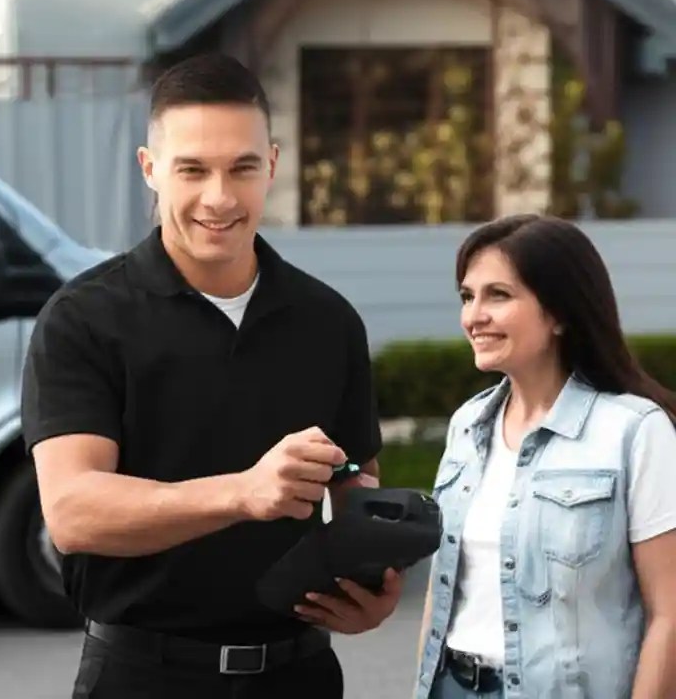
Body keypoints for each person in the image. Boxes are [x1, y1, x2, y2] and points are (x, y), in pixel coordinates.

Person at [20, 52, 401, 699]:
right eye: (192, 170)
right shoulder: (83, 320)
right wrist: (243, 492)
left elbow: (354, 483)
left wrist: (372, 579)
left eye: (242, 169)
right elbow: (73, 512)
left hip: (301, 677)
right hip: (143, 678)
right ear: (151, 170)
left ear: (272, 166)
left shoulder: (328, 321)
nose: (219, 197)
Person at [413, 214, 676, 699]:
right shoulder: (466, 426)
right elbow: (443, 585)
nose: (474, 316)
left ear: (559, 313)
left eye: (499, 295)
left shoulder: (635, 431)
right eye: (468, 296)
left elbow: (670, 612)